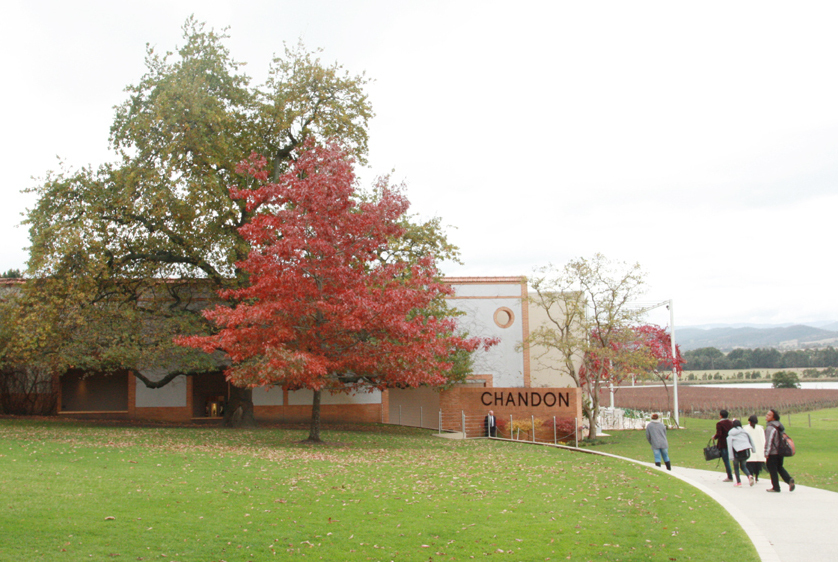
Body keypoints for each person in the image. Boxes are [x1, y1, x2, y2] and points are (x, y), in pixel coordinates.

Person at [764, 408, 795, 493]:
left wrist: (766, 452)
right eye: (767, 414)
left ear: (774, 418)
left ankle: (776, 487)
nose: (767, 416)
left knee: (772, 468)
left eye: (769, 415)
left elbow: (769, 441)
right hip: (780, 451)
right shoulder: (779, 426)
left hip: (773, 452)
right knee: (779, 467)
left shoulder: (770, 428)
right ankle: (789, 479)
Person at [727, 419, 756, 487]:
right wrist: (753, 450)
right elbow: (751, 440)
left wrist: (731, 456)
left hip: (737, 452)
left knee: (736, 467)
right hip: (746, 451)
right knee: (743, 466)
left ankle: (738, 482)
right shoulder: (745, 432)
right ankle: (749, 476)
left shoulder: (730, 434)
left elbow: (729, 445)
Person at [713, 409, 734, 482]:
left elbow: (719, 434)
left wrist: (714, 437)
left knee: (726, 460)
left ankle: (730, 476)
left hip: (723, 443)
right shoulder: (731, 422)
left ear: (720, 415)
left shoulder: (720, 424)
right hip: (731, 443)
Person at [744, 414, 766, 483]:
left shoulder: (745, 428)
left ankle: (751, 475)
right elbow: (763, 438)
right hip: (759, 448)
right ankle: (757, 476)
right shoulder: (760, 428)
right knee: (758, 463)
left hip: (750, 448)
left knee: (749, 463)